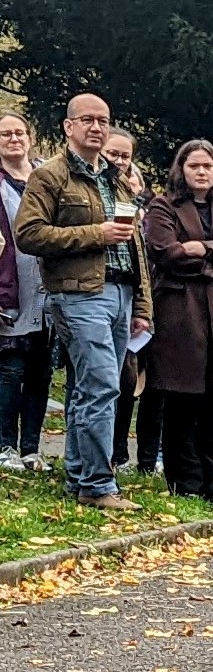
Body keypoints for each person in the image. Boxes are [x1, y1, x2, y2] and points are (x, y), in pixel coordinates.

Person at [14, 94, 154, 511]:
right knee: (101, 384)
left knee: (90, 387)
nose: (97, 127)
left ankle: (79, 477)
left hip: (122, 292)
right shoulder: (50, 176)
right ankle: (97, 484)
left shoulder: (115, 176)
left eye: (104, 121)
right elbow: (29, 234)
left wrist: (143, 303)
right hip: (78, 292)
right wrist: (96, 233)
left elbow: (136, 245)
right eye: (88, 120)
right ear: (68, 126)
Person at [143, 139, 213, 506]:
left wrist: (203, 248)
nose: (201, 172)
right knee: (182, 398)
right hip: (180, 309)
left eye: (207, 166)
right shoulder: (163, 206)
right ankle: (184, 479)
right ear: (182, 169)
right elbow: (164, 251)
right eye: (194, 166)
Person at [104, 131, 163, 477]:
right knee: (117, 383)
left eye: (128, 160)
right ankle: (112, 454)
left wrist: (144, 308)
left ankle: (144, 457)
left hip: (147, 307)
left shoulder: (149, 215)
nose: (122, 165)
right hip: (107, 298)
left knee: (146, 385)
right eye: (115, 155)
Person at [0, 115, 50, 468]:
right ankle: (5, 446)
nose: (14, 138)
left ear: (31, 138)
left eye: (20, 132)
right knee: (10, 370)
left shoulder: (46, 178)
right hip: (10, 287)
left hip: (48, 287)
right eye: (5, 133)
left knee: (40, 370)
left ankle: (32, 447)